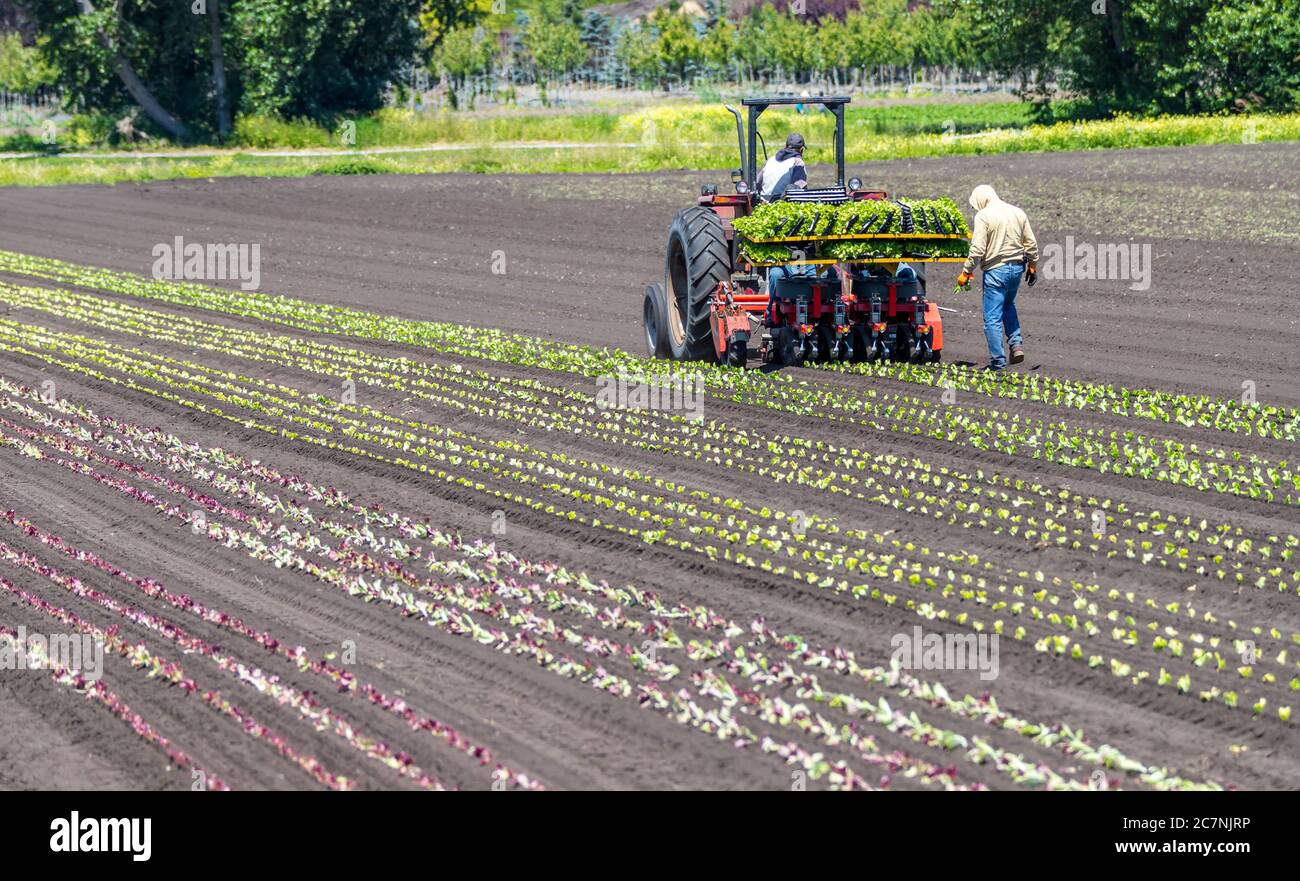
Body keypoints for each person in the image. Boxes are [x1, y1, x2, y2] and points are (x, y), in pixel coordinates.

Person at [955, 184, 1039, 370]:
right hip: (1017, 269)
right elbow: (1031, 244)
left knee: (992, 318)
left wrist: (966, 272)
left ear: (981, 200)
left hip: (995, 271)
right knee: (1008, 305)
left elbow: (977, 249)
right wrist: (1032, 267)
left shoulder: (983, 216)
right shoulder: (1018, 212)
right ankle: (1016, 345)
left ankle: (998, 362)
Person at [756, 133, 808, 199]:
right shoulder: (797, 162)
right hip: (780, 202)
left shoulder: (771, 159)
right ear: (801, 150)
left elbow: (758, 183)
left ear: (785, 146)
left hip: (763, 200)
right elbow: (800, 186)